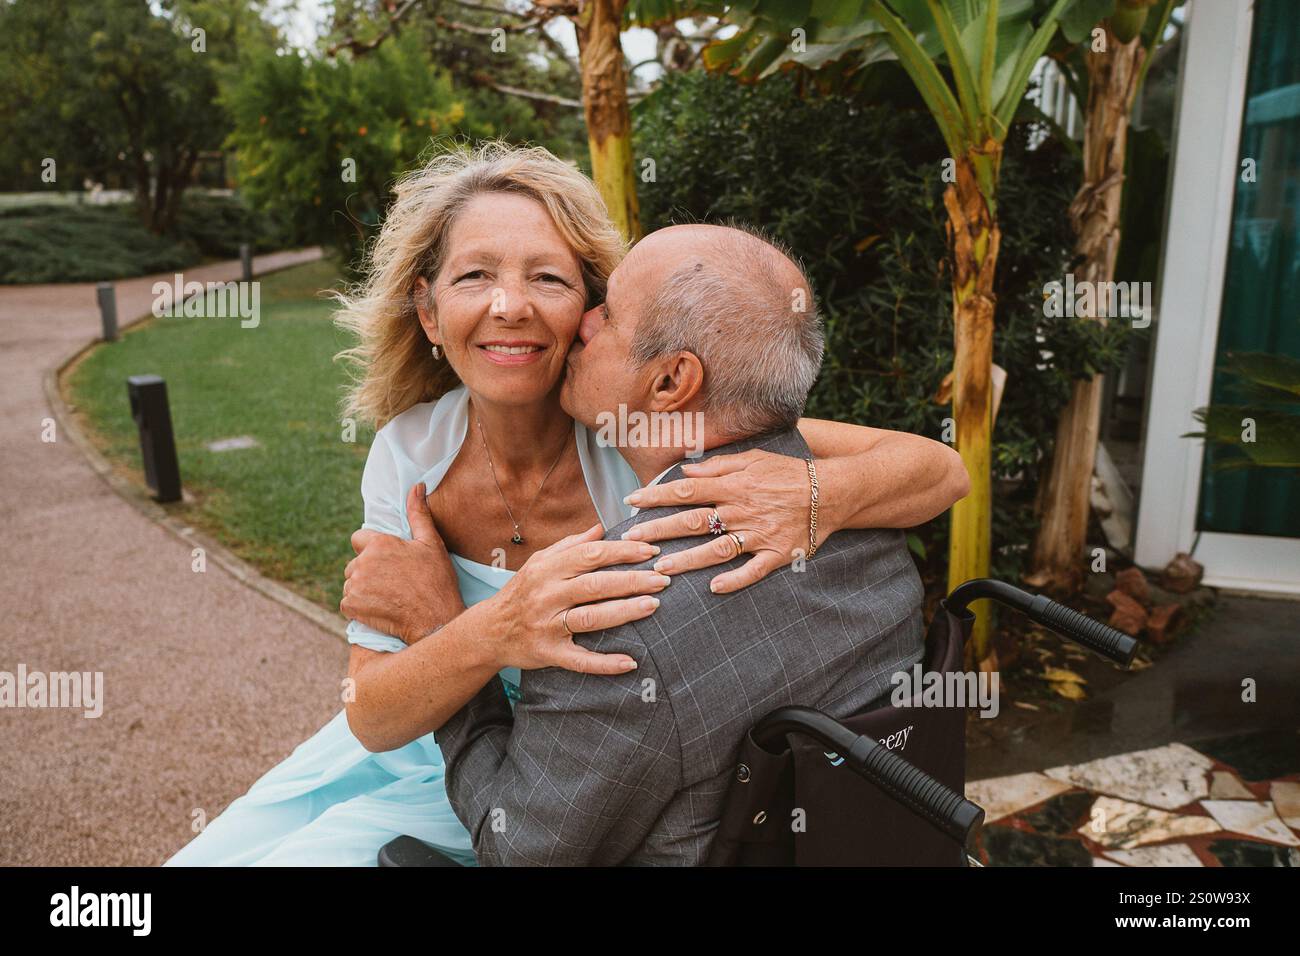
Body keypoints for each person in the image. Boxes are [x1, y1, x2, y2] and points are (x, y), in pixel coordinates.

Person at [164, 143, 967, 867]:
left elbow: (937, 469)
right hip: (419, 742)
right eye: (475, 275)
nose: (510, 305)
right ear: (428, 311)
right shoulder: (408, 455)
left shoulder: (647, 433)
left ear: (585, 309)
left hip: (551, 779)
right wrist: (488, 634)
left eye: (547, 278)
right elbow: (374, 715)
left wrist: (812, 492)